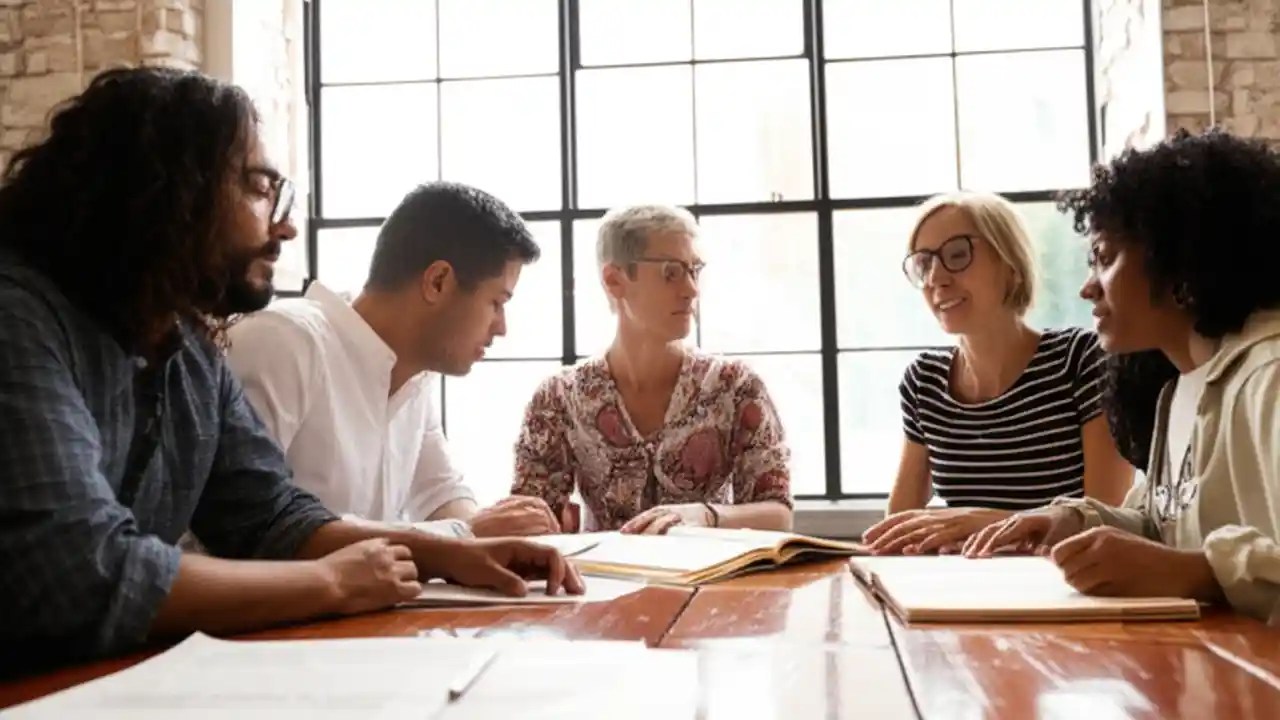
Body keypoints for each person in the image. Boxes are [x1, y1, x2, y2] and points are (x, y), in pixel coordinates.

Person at [0, 67, 581, 675]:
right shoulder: (20, 318)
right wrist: (329, 583)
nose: (285, 226)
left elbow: (271, 516)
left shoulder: (189, 353)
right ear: (166, 186)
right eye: (259, 189)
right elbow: (76, 567)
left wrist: (447, 555)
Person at [965, 129, 1280, 623]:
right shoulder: (1177, 389)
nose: (1089, 288)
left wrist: (1195, 574)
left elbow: (1183, 563)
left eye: (1105, 258)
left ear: (1182, 259)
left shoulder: (1270, 378)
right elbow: (1165, 530)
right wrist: (1069, 520)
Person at [226, 181, 564, 538]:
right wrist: (463, 534)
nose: (502, 328)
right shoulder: (283, 343)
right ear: (437, 282)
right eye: (497, 303)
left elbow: (441, 493)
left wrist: (493, 538)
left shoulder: (413, 376)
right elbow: (244, 532)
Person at [863, 191, 1133, 555]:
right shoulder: (924, 382)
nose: (937, 278)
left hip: (1066, 591)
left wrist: (983, 522)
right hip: (965, 591)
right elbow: (896, 531)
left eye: (958, 255)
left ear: (1011, 266)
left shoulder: (1080, 360)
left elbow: (1106, 520)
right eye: (923, 264)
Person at [509, 204, 794, 534]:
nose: (691, 290)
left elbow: (779, 515)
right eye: (671, 272)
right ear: (614, 280)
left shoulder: (736, 387)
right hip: (602, 582)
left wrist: (703, 516)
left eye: (694, 271)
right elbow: (529, 521)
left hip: (713, 581)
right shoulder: (559, 398)